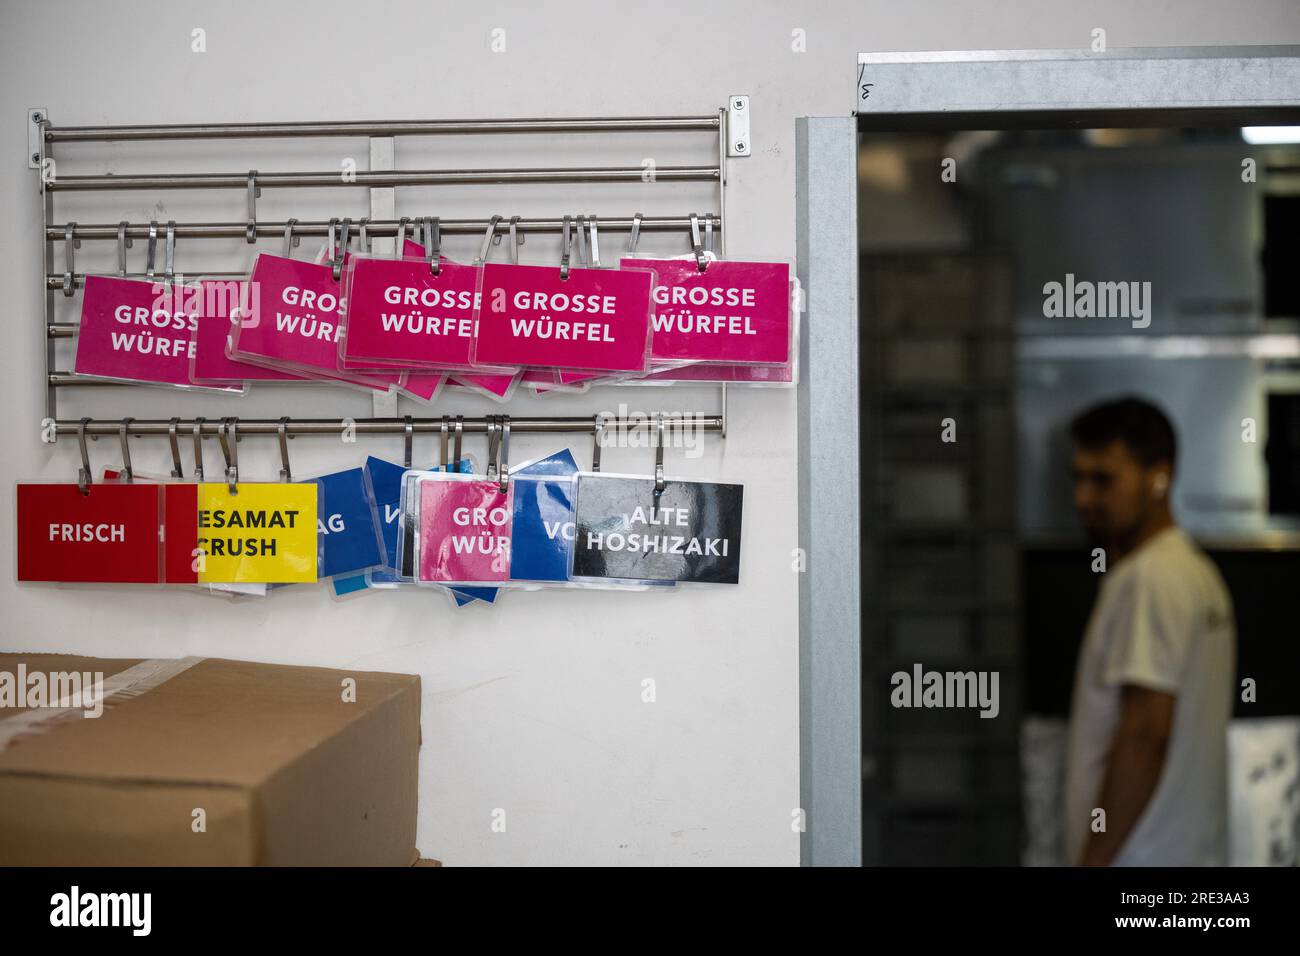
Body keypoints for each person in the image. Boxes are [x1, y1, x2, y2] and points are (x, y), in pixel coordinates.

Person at [1062, 397, 1235, 866]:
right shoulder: (1196, 572)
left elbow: (1145, 733)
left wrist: (1093, 862)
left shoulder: (1150, 579)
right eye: (1077, 479)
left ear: (1159, 476)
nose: (1084, 498)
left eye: (1103, 480)